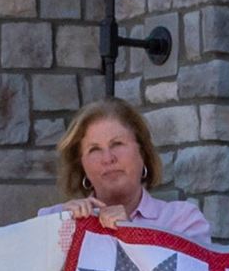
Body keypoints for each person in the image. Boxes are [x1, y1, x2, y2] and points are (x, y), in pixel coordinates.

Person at [46, 99, 211, 243]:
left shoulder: (181, 220)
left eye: (117, 144)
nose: (108, 158)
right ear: (81, 164)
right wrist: (63, 228)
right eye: (94, 149)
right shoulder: (52, 220)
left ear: (143, 153)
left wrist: (131, 235)